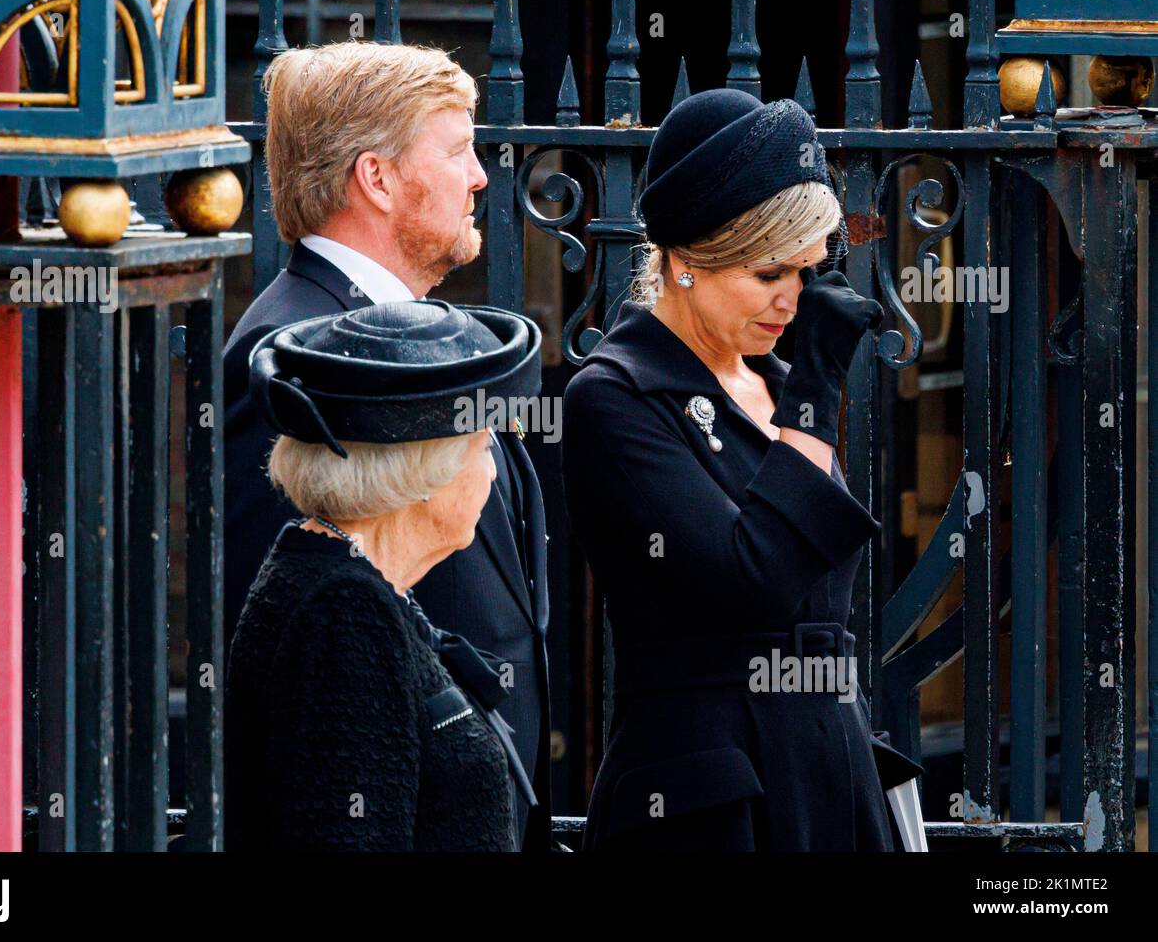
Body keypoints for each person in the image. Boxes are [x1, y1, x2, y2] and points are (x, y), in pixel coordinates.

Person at [562, 89, 923, 851]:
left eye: (807, 269)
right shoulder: (614, 394)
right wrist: (817, 395)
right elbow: (750, 579)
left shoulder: (772, 379)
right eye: (767, 276)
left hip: (830, 775)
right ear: (687, 262)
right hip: (713, 801)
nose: (792, 299)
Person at [222, 41, 552, 850]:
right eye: (457, 151)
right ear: (376, 177)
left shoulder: (409, 338)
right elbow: (308, 624)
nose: (480, 176)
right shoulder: (288, 349)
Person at [226, 299, 542, 851]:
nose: (492, 470)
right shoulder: (342, 613)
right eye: (482, 446)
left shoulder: (358, 584)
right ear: (424, 473)